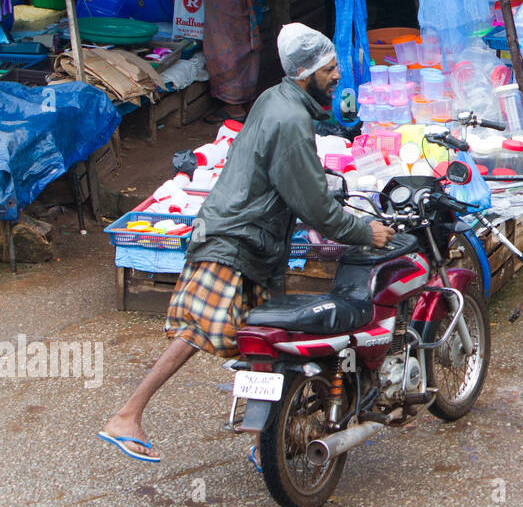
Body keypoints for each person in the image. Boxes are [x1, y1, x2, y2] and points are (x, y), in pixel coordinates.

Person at [98, 24, 396, 463]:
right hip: (234, 240)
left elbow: (289, 176)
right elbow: (314, 206)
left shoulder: (276, 98)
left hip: (255, 242)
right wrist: (363, 231)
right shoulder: (289, 118)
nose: (337, 75)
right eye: (331, 68)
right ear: (306, 72)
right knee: (196, 331)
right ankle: (126, 416)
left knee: (269, 341)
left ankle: (265, 445)